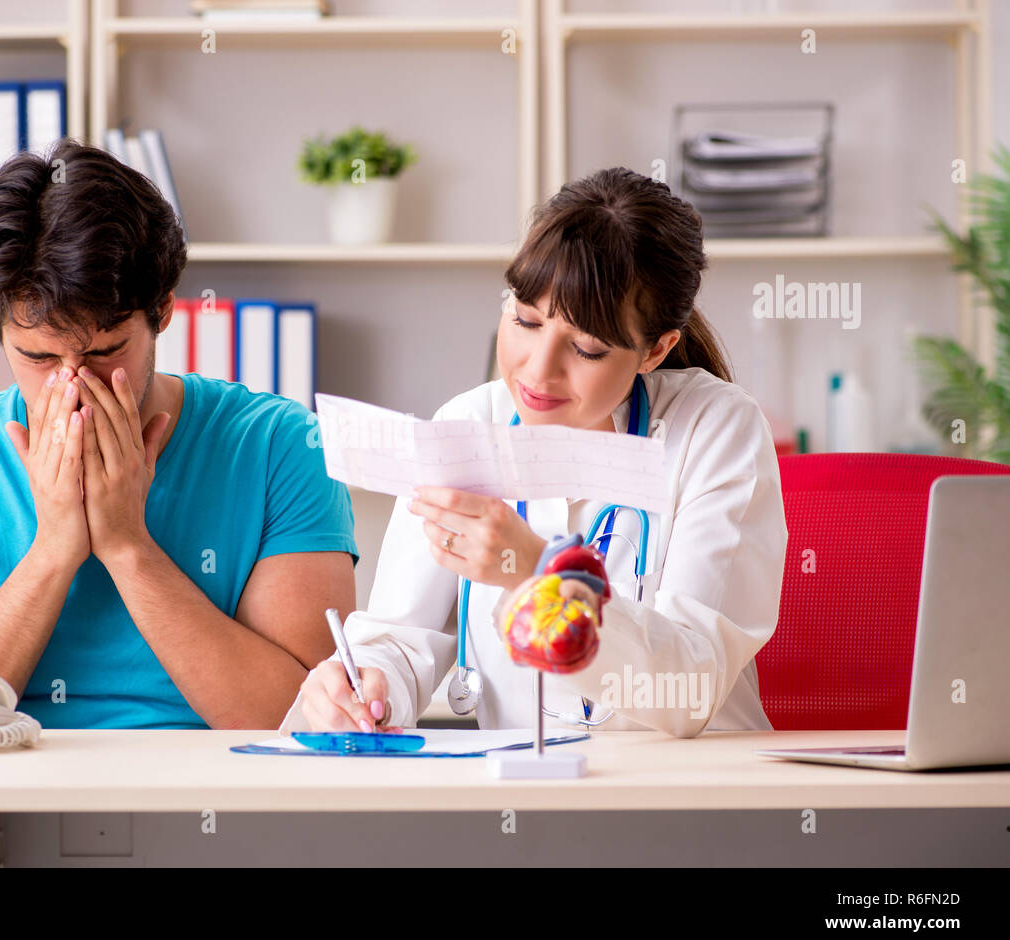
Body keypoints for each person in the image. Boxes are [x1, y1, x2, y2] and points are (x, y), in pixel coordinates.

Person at [0, 139, 358, 732]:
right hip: (3, 808)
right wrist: (53, 550)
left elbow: (308, 719)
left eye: (104, 351)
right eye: (38, 356)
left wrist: (126, 545)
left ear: (164, 313)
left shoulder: (282, 447)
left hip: (225, 800)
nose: (71, 384)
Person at [284, 167, 788, 738]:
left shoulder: (714, 429)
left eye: (588, 348)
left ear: (656, 350)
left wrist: (537, 570)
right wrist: (365, 681)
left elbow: (688, 692)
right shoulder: (468, 423)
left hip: (696, 798)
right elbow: (402, 639)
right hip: (529, 798)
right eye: (525, 320)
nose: (537, 369)